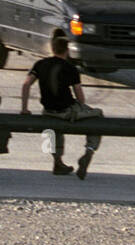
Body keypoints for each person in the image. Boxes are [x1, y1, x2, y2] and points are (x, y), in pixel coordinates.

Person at [21, 36, 102, 178]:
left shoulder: (40, 64)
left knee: (51, 130)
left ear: (52, 48)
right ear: (67, 50)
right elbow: (79, 96)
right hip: (67, 111)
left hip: (48, 111)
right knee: (99, 116)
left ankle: (57, 161)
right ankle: (89, 151)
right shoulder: (70, 68)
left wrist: (24, 108)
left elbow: (26, 84)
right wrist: (82, 108)